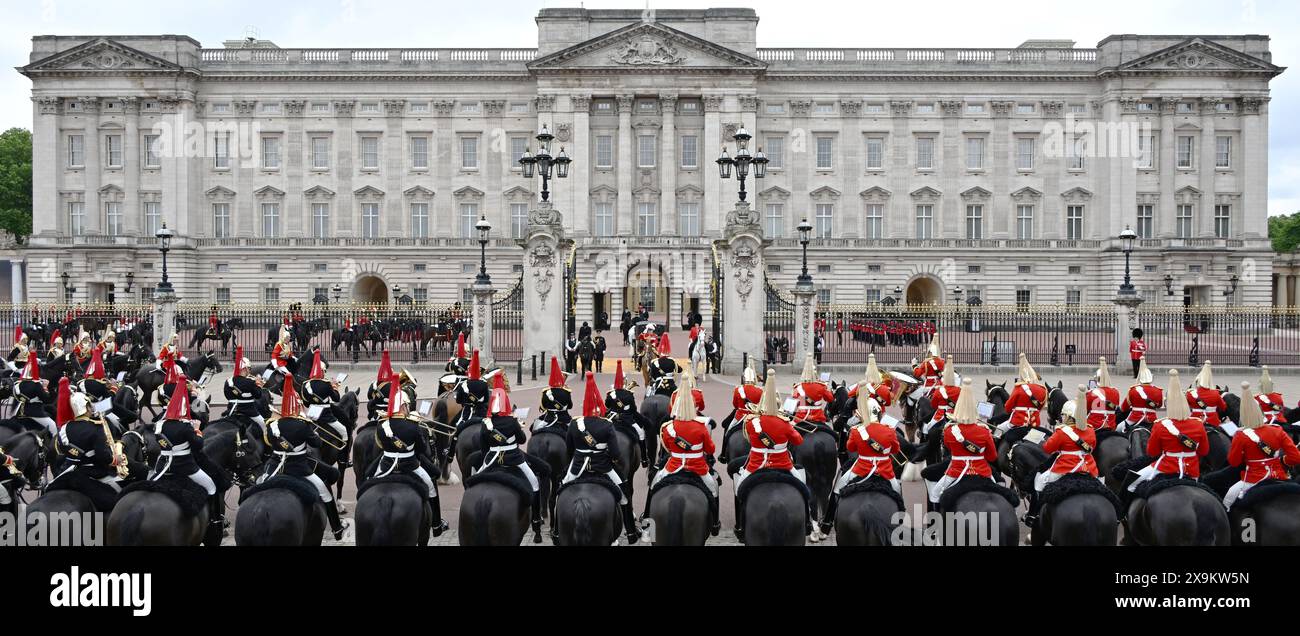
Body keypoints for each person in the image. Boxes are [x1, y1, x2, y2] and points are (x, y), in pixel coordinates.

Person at [258, 380, 349, 540]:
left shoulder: (272, 426)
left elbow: (269, 442)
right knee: (326, 494)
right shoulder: (303, 425)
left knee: (258, 486)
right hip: (298, 468)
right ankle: (337, 529)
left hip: (273, 468)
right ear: (296, 407)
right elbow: (317, 443)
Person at [564, 372, 639, 544]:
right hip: (603, 467)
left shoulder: (575, 424)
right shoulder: (607, 425)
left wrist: (572, 462)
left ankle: (555, 530)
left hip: (577, 467)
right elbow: (615, 453)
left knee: (560, 493)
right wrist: (615, 461)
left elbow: (569, 449)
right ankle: (631, 532)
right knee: (624, 496)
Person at [371, 378, 449, 536]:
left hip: (386, 465)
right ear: (403, 406)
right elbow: (423, 451)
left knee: (369, 484)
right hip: (410, 465)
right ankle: (436, 524)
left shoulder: (381, 425)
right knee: (431, 488)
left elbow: (380, 445)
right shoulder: (413, 426)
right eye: (406, 405)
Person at [648, 369, 719, 537]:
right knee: (713, 489)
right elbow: (711, 450)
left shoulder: (668, 427)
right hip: (698, 468)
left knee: (653, 487)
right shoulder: (701, 426)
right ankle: (715, 523)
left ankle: (647, 524)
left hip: (673, 467)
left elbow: (666, 447)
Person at [150, 380, 225, 536]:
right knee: (212, 487)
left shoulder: (158, 425)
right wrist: (197, 430)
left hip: (162, 466)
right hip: (185, 467)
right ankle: (214, 521)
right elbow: (198, 445)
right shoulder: (185, 427)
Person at [820, 392, 900, 534]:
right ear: (879, 413)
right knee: (898, 492)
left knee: (837, 488)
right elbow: (895, 449)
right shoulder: (889, 431)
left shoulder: (857, 431)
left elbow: (850, 448)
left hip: (860, 468)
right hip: (885, 471)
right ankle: (899, 526)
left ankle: (827, 522)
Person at [476, 375, 542, 541]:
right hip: (514, 459)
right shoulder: (512, 422)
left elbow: (483, 446)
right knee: (534, 484)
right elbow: (522, 440)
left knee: (473, 481)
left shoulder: (486, 423)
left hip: (491, 459)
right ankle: (536, 521)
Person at [1024, 385, 1098, 527]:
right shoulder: (1090, 430)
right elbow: (1092, 447)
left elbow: (1047, 448)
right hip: (1088, 467)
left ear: (1069, 416)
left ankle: (1034, 515)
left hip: (1065, 467)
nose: (1061, 417)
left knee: (1039, 481)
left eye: (1063, 415)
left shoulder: (1062, 431)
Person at [1127, 370, 1210, 492]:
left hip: (1166, 467)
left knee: (1131, 483)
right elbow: (1204, 451)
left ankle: (1127, 511)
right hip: (1192, 470)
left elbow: (1152, 451)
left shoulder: (1160, 425)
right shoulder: (1198, 424)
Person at [1223, 382, 1300, 509]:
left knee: (1228, 501)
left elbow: (1234, 462)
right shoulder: (1277, 430)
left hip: (1252, 480)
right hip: (1279, 476)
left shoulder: (1241, 435)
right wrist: (1282, 460)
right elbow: (1296, 458)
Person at [925, 379, 998, 510]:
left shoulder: (949, 430)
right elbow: (992, 457)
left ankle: (936, 527)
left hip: (956, 471)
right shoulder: (984, 430)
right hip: (982, 471)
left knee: (935, 494)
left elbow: (948, 448)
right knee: (1002, 490)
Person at [51, 377, 124, 493]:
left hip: (67, 469)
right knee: (118, 494)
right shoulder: (96, 427)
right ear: (86, 407)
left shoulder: (63, 428)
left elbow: (62, 449)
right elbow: (103, 456)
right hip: (92, 470)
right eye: (90, 406)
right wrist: (116, 459)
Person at [302, 349, 349, 467]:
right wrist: (335, 387)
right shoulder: (327, 384)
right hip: (326, 416)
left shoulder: (305, 384)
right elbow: (337, 399)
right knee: (344, 432)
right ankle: (344, 460)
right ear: (322, 371)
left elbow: (306, 403)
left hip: (312, 415)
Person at [603, 360, 649, 463]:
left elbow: (607, 405)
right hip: (627, 420)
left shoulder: (611, 394)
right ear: (624, 381)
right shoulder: (629, 395)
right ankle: (644, 459)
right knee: (641, 433)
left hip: (612, 419)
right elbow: (633, 410)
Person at [718, 362, 763, 464]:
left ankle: (723, 454)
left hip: (740, 416)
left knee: (728, 430)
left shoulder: (738, 390)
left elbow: (735, 405)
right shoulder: (760, 390)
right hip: (755, 417)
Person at [997, 353, 1048, 434]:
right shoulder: (1043, 389)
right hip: (1035, 423)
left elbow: (1008, 408)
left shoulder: (1019, 388)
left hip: (1018, 422)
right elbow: (1040, 408)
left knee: (998, 430)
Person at [223, 346, 267, 430]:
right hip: (249, 411)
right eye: (249, 368)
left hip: (231, 410)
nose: (249, 371)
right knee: (265, 426)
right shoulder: (250, 382)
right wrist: (259, 386)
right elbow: (258, 395)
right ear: (245, 368)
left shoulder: (228, 381)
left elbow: (227, 395)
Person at [15, 351, 56, 437]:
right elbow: (47, 400)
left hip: (18, 412)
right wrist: (46, 387)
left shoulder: (18, 383)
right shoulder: (36, 384)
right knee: (54, 428)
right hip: (35, 412)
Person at [1186, 361, 1232, 435]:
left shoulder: (1190, 394)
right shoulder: (1215, 394)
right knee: (1230, 432)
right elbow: (1223, 407)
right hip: (1213, 422)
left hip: (1195, 421)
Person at [1119, 357, 1163, 433]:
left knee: (1118, 429)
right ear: (1151, 378)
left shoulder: (1133, 390)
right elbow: (1159, 406)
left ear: (1140, 379)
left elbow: (1124, 408)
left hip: (1135, 418)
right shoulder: (1158, 391)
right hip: (1151, 419)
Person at [791, 353, 835, 427]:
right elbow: (830, 398)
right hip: (817, 417)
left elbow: (794, 399)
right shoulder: (821, 386)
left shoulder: (797, 387)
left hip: (801, 417)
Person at [533, 356, 572, 433]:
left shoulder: (545, 392)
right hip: (564, 418)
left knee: (533, 428)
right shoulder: (566, 392)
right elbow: (570, 406)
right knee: (574, 433)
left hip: (549, 418)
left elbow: (543, 407)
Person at [926, 357, 961, 437]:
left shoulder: (939, 390)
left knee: (929, 428)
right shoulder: (960, 390)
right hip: (956, 416)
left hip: (940, 415)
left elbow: (933, 405)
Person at [1086, 357, 1121, 431]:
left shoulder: (1091, 393)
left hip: (1094, 425)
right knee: (1122, 429)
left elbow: (1086, 409)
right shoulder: (1116, 392)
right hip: (1110, 425)